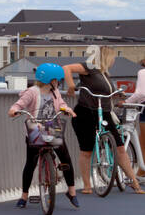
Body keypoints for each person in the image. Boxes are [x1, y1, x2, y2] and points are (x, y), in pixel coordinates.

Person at [60, 47, 144, 194]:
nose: (113, 62)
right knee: (86, 150)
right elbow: (66, 68)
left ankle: (134, 182)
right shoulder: (90, 68)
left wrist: (119, 95)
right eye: (112, 58)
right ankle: (87, 185)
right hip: (86, 112)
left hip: (104, 112)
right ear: (106, 58)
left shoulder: (104, 74)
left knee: (120, 148)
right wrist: (71, 86)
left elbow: (107, 92)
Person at [8, 63, 78, 208]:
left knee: (65, 159)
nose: (58, 82)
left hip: (52, 128)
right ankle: (24, 196)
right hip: (35, 128)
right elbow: (19, 104)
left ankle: (71, 192)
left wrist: (66, 109)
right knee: (31, 162)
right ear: (50, 79)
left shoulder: (55, 91)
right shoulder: (32, 92)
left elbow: (61, 103)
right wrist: (14, 110)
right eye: (57, 79)